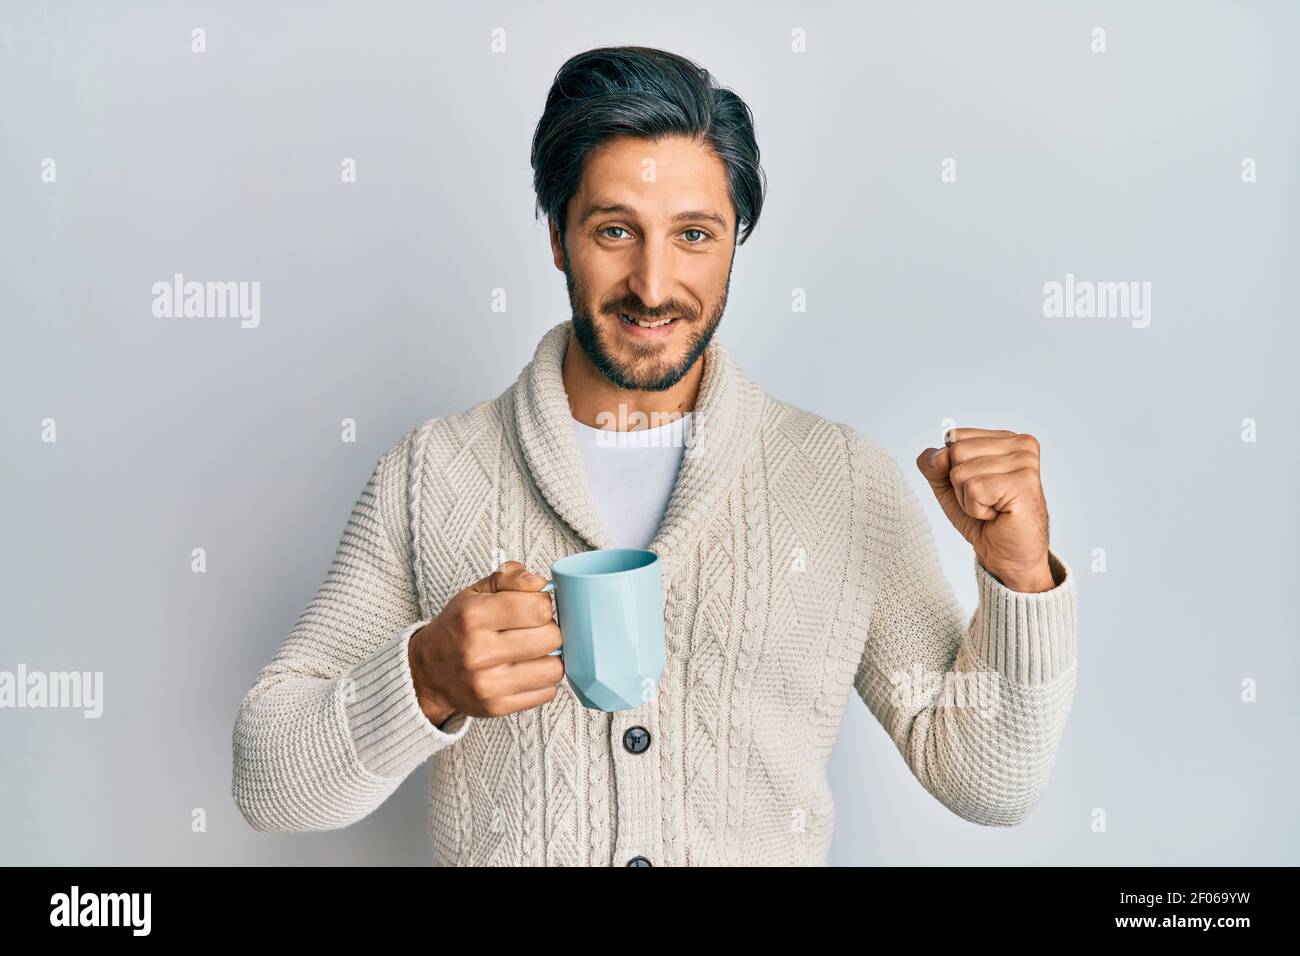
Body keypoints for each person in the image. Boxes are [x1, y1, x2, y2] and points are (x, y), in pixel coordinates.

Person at [232, 45, 1077, 866]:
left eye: (695, 235)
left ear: (736, 240)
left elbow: (985, 779)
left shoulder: (843, 479)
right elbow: (269, 782)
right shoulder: (433, 472)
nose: (652, 283)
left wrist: (1020, 577)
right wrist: (425, 678)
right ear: (559, 237)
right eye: (614, 230)